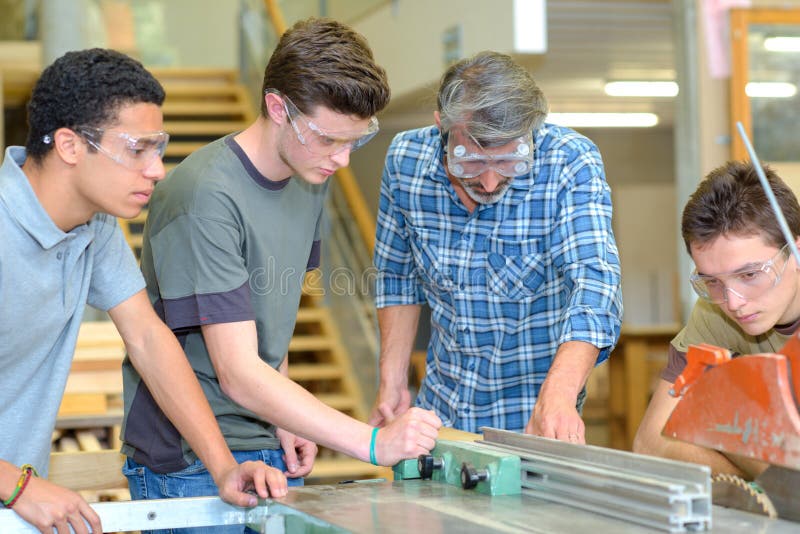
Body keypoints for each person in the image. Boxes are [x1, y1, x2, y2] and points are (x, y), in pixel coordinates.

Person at [120, 17, 442, 520]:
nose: (342, 160)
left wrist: (287, 418)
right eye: (329, 139)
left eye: (353, 142)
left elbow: (271, 320)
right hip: (190, 460)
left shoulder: (310, 176)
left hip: (264, 441)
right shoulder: (205, 196)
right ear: (277, 107)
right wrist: (372, 443)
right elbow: (238, 373)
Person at [0, 48, 287, 534]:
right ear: (70, 145)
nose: (156, 169)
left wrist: (222, 467)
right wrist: (19, 486)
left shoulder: (95, 226)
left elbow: (150, 340)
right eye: (138, 149)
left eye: (159, 147)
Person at [369, 51, 623, 443]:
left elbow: (594, 287)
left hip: (533, 419)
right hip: (441, 413)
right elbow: (396, 277)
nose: (489, 183)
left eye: (508, 162)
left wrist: (558, 397)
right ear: (442, 126)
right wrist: (392, 380)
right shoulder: (405, 162)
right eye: (470, 161)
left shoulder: (569, 162)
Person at [633, 160, 799, 478]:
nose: (733, 303)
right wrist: (759, 489)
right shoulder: (713, 313)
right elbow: (650, 443)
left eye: (750, 274)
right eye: (712, 282)